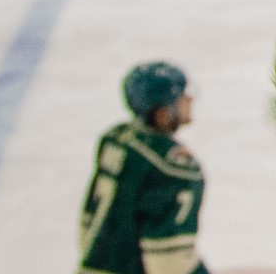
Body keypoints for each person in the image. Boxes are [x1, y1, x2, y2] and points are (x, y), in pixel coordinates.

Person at [78, 61, 208, 274]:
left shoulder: (116, 139)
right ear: (163, 112)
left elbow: (89, 229)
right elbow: (170, 263)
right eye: (181, 94)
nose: (189, 98)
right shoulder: (173, 168)